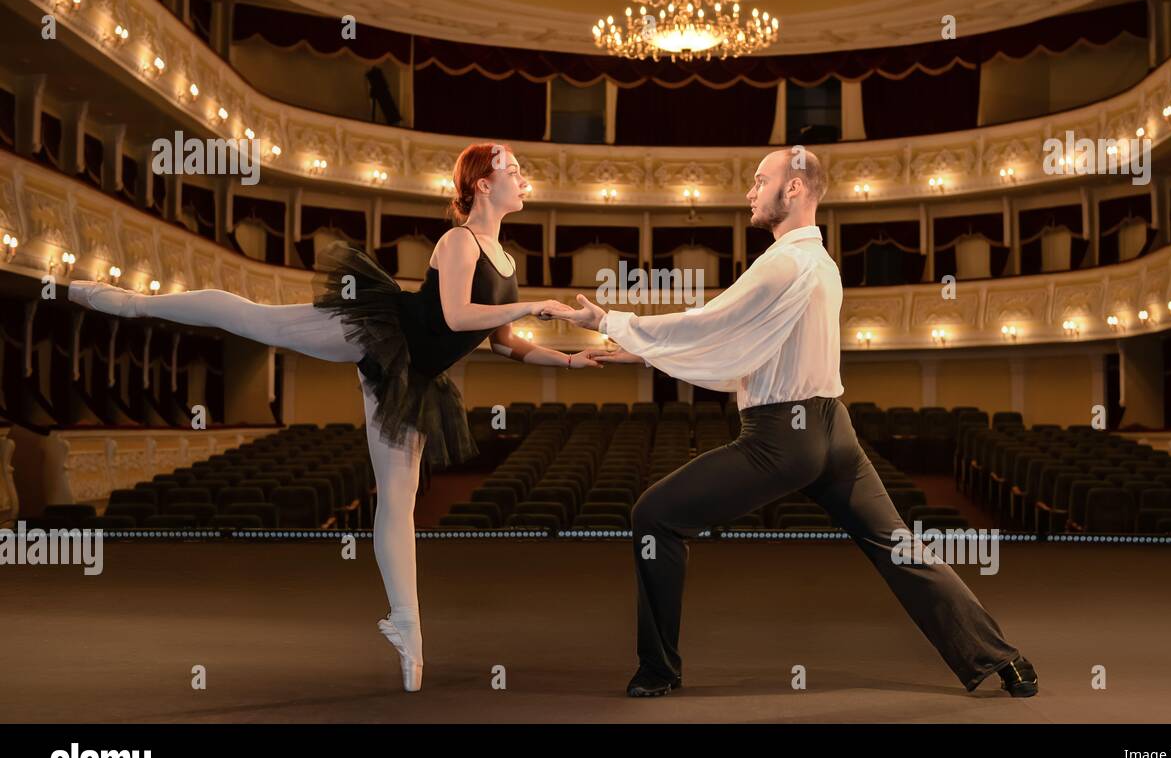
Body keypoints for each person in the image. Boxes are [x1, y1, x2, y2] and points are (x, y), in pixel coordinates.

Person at [69, 142, 608, 693]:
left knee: (399, 502)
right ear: (481, 185)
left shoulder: (507, 259)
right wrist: (531, 305)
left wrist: (567, 359)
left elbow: (502, 341)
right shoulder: (458, 241)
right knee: (258, 321)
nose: (523, 179)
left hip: (409, 378)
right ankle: (131, 303)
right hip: (378, 330)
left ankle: (407, 629)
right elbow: (454, 314)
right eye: (512, 170)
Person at [551, 147, 1038, 699]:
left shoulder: (781, 261)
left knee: (654, 516)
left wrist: (609, 320)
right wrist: (643, 353)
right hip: (836, 433)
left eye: (761, 181)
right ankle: (1006, 660)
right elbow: (749, 340)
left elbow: (714, 321)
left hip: (783, 438)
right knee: (901, 549)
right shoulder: (822, 264)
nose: (750, 192)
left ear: (796, 190)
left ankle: (659, 670)